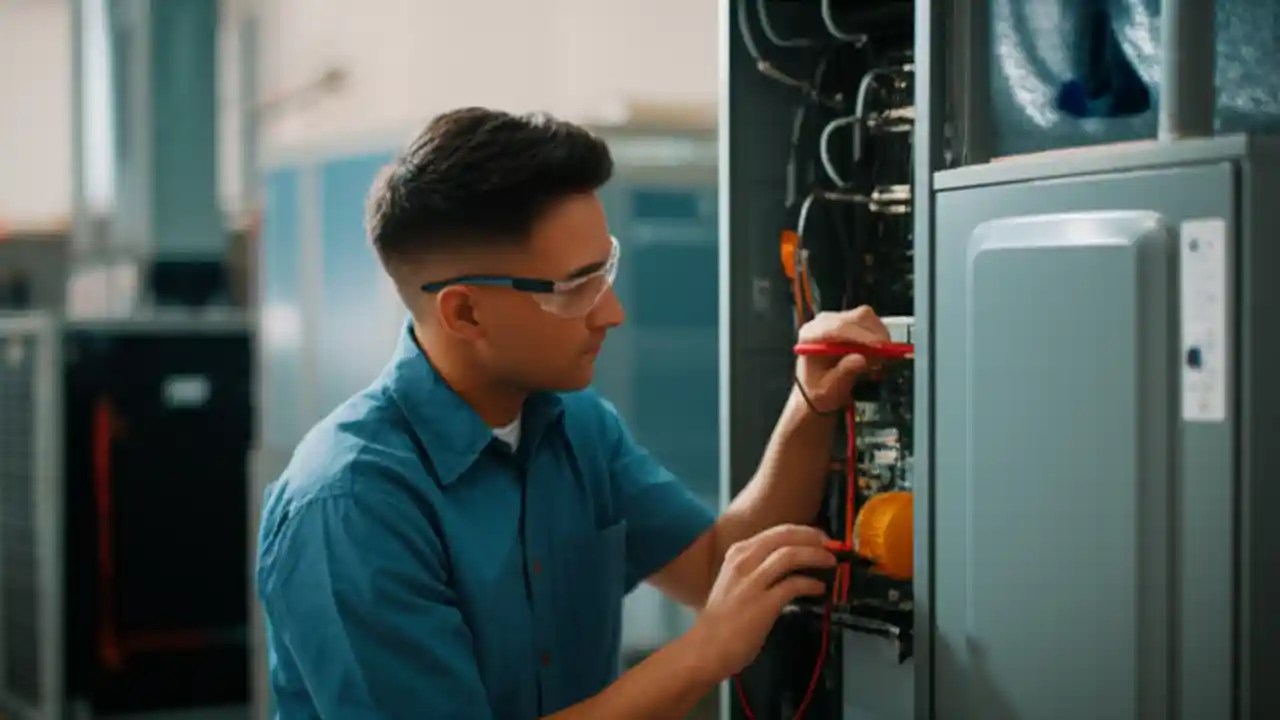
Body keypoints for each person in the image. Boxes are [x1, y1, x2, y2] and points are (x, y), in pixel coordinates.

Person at [255, 107, 891, 719]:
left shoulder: (576, 429)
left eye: (604, 269)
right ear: (465, 312)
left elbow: (714, 567)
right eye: (576, 287)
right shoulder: (349, 507)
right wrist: (702, 655)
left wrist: (810, 403)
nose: (611, 311)